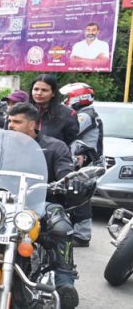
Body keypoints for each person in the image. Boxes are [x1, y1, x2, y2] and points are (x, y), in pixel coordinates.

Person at [7, 103, 80, 309]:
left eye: (17, 122)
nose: (11, 125)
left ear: (32, 124)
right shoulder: (1, 145)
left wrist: (69, 181)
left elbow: (65, 171)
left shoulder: (55, 146)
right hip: (6, 202)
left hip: (40, 203)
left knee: (60, 225)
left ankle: (64, 282)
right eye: (9, 121)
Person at [61, 82, 104, 248]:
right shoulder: (84, 113)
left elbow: (70, 132)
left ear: (78, 97)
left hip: (88, 163)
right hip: (83, 161)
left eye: (68, 97)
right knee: (73, 194)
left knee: (80, 196)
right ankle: (75, 230)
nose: (65, 100)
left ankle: (82, 235)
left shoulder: (85, 115)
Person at [29, 73, 79, 147]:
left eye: (44, 90)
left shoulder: (67, 114)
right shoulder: (24, 111)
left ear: (53, 93)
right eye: (36, 89)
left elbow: (71, 142)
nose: (39, 93)